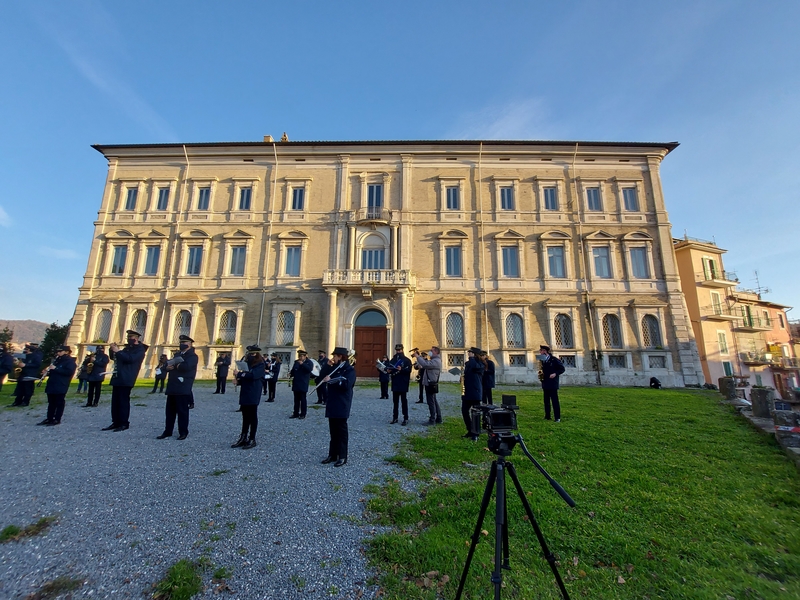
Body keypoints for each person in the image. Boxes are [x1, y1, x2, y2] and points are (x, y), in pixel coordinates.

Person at [102, 330, 147, 432]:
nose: (128, 339)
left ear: (135, 338)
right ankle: (116, 421)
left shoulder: (140, 350)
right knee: (115, 401)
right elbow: (115, 358)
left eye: (130, 337)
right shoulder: (127, 349)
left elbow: (130, 359)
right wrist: (112, 350)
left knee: (123, 401)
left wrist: (118, 351)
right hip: (118, 376)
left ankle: (124, 423)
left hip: (127, 377)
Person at [156, 335, 198, 440]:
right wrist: (168, 367)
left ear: (189, 344)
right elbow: (168, 365)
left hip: (183, 386)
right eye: (181, 342)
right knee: (170, 411)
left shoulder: (192, 356)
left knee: (182, 411)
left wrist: (175, 366)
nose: (181, 344)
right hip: (173, 386)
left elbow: (186, 366)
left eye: (184, 342)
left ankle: (183, 432)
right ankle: (168, 431)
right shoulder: (177, 354)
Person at [321, 346, 357, 467]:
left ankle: (342, 456)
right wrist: (327, 365)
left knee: (341, 431)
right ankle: (332, 454)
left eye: (335, 356)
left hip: (342, 403)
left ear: (340, 357)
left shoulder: (349, 370)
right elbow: (321, 375)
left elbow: (346, 384)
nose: (333, 358)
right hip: (332, 402)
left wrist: (331, 380)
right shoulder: (334, 368)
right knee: (333, 431)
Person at [231, 345, 266, 449]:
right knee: (245, 416)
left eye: (253, 354)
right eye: (250, 354)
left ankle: (252, 438)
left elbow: (253, 376)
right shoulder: (247, 364)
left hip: (254, 391)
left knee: (252, 416)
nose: (251, 356)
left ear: (257, 354)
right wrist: (238, 381)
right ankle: (243, 436)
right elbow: (245, 376)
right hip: (245, 391)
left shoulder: (260, 364)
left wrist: (239, 375)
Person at [36, 345, 78, 426]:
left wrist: (56, 368)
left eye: (60, 351)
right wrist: (47, 372)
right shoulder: (57, 360)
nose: (58, 353)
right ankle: (49, 418)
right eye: (57, 352)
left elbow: (69, 372)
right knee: (51, 402)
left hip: (61, 384)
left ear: (66, 352)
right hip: (52, 382)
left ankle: (57, 419)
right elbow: (53, 370)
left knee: (59, 402)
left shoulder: (70, 361)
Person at [413, 346, 442, 424]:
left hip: (431, 383)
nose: (430, 352)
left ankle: (432, 419)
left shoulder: (436, 361)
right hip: (430, 383)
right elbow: (426, 365)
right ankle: (438, 418)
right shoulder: (434, 360)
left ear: (436, 352)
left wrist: (418, 357)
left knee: (431, 402)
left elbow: (426, 364)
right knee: (434, 401)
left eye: (431, 351)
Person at [462, 347, 485, 440]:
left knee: (475, 413)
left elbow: (474, 366)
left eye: (470, 352)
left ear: (474, 354)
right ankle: (470, 430)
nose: (468, 354)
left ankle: (475, 433)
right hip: (467, 391)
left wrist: (472, 358)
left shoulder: (480, 364)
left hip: (475, 391)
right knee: (464, 411)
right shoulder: (469, 363)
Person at [387, 344, 413, 426]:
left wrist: (401, 369)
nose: (398, 352)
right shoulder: (393, 359)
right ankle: (395, 417)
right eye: (397, 350)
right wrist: (388, 370)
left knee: (403, 401)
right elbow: (389, 367)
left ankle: (405, 418)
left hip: (403, 382)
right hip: (395, 382)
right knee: (395, 402)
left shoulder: (406, 360)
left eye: (399, 350)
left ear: (402, 350)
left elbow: (409, 370)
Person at [539, 345, 565, 422]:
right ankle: (547, 416)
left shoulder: (554, 360)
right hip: (545, 382)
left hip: (553, 383)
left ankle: (557, 417)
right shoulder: (542, 360)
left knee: (554, 401)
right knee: (546, 401)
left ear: (545, 351)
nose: (540, 352)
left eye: (541, 350)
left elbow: (562, 369)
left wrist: (555, 374)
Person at [11, 343, 43, 407]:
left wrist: (26, 365)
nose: (25, 350)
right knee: (20, 389)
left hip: (30, 374)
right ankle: (17, 401)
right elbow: (21, 362)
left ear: (30, 350)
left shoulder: (36, 356)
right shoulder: (24, 356)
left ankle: (25, 402)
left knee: (28, 389)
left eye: (27, 349)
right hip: (22, 374)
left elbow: (37, 365)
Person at [288, 349, 313, 419]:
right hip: (296, 382)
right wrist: (290, 374)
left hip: (303, 383)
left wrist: (303, 364)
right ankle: (295, 413)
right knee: (296, 399)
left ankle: (303, 414)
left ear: (305, 356)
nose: (300, 357)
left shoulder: (309, 362)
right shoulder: (296, 362)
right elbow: (294, 370)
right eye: (300, 356)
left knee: (303, 399)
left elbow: (309, 370)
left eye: (302, 356)